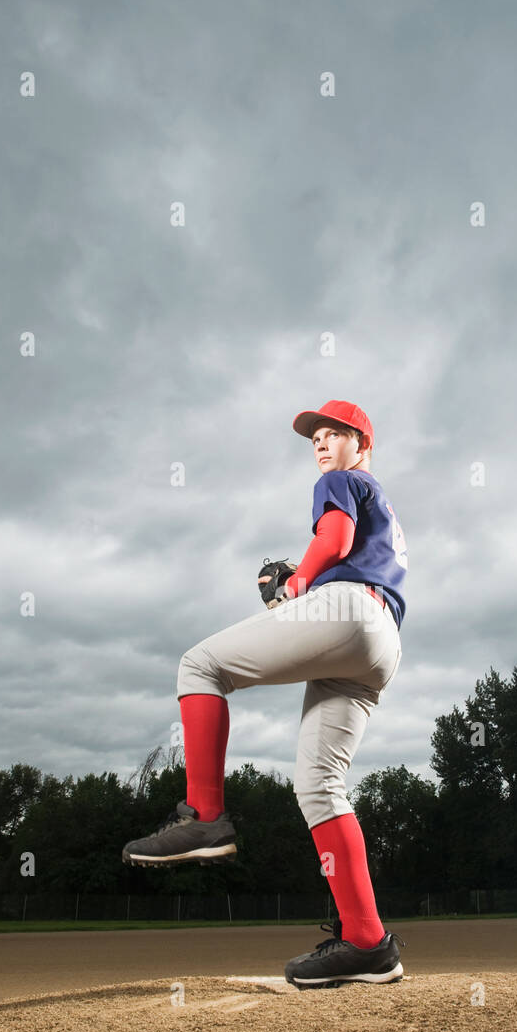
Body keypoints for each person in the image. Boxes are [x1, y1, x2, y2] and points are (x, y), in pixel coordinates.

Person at [122, 400, 408, 988]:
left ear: (364, 446)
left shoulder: (340, 481)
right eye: (317, 439)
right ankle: (366, 941)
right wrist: (300, 590)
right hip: (379, 641)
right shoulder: (382, 505)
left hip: (348, 611)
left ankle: (204, 818)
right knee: (320, 786)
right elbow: (351, 551)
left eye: (337, 435)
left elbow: (335, 534)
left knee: (199, 665)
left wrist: (300, 581)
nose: (323, 445)